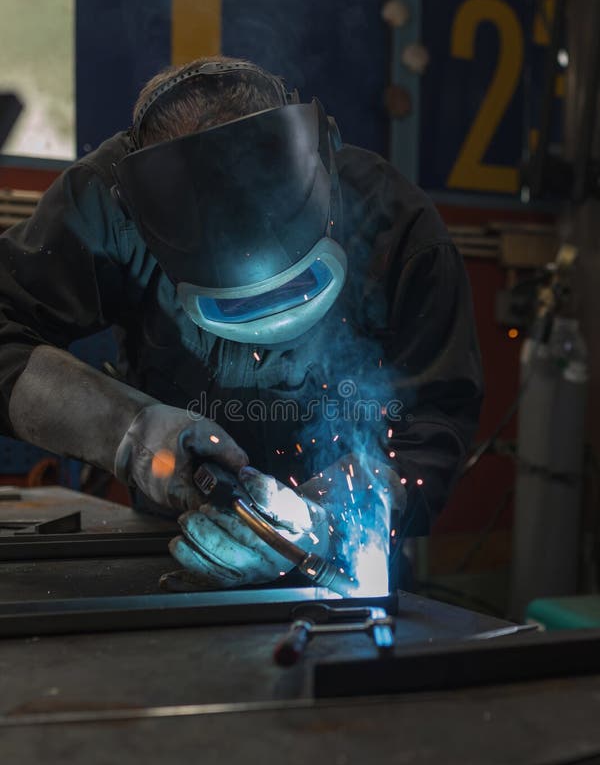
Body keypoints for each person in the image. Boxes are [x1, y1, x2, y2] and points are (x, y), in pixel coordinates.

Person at [0, 56, 483, 591]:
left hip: (342, 556)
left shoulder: (398, 225)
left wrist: (350, 509)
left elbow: (439, 411)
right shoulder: (103, 206)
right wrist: (130, 431)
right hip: (171, 545)